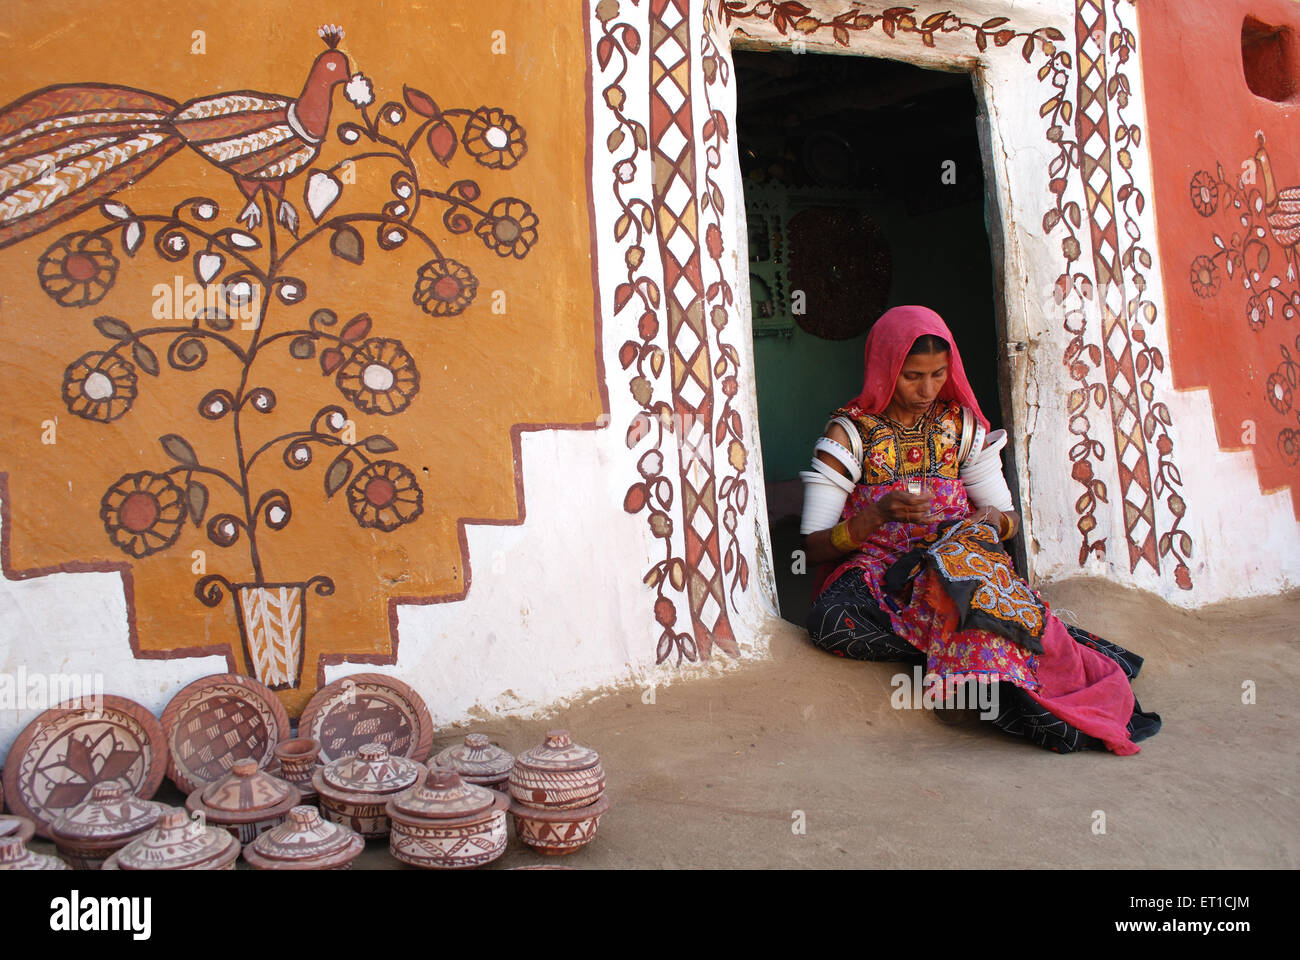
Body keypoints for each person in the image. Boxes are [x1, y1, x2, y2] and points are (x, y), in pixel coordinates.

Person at [800, 305, 1160, 754]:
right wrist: (877, 515)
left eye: (937, 374)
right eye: (912, 376)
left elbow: (1007, 522)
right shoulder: (848, 436)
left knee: (963, 581)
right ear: (885, 366)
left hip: (957, 570)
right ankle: (970, 651)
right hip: (883, 579)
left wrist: (988, 520)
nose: (926, 389)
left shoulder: (962, 428)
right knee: (830, 623)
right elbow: (812, 550)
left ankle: (977, 667)